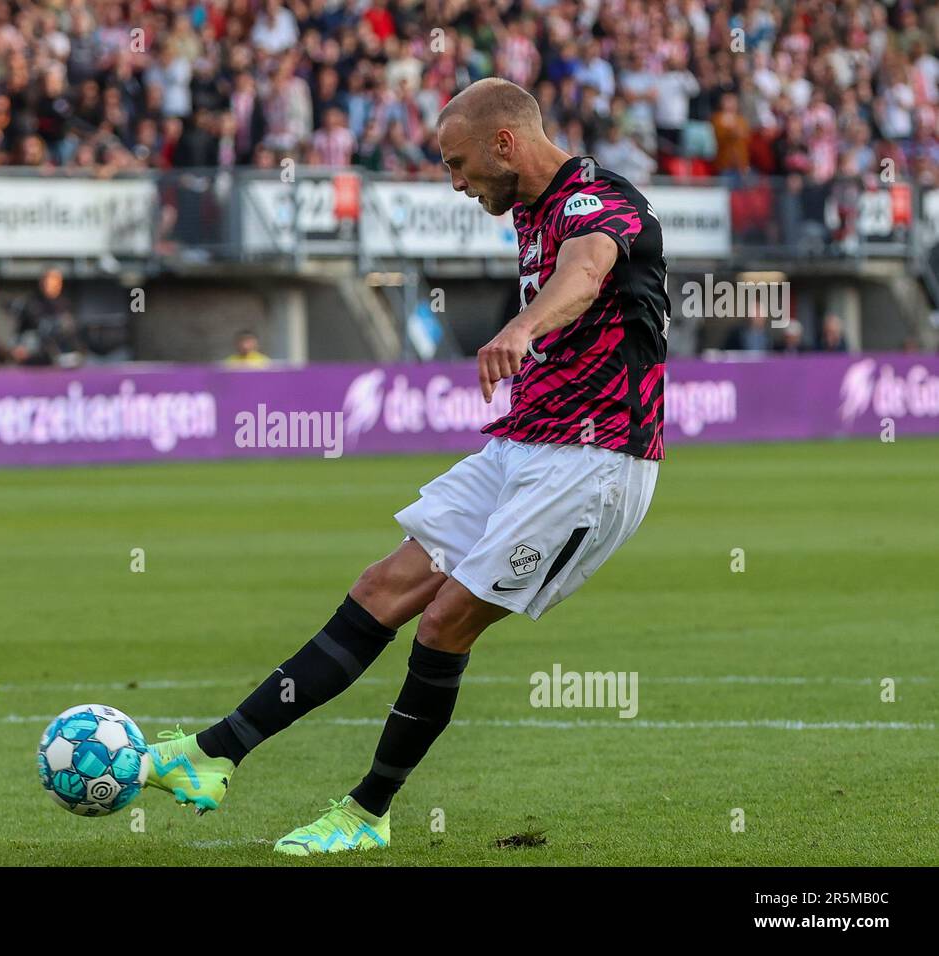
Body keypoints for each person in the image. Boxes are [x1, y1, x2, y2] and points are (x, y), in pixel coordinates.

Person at [145, 78, 667, 855]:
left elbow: (586, 272)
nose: (455, 183)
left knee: (446, 619)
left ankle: (366, 813)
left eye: (458, 165)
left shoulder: (595, 199)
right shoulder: (528, 208)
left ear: (504, 142)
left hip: (593, 462)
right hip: (524, 445)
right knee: (381, 587)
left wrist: (521, 328)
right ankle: (212, 754)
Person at [14, 269, 83, 366]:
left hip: (62, 357)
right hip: (36, 356)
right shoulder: (31, 303)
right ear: (41, 283)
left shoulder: (66, 305)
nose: (50, 286)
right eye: (47, 282)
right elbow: (22, 330)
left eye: (54, 282)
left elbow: (73, 333)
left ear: (60, 284)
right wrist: (19, 347)